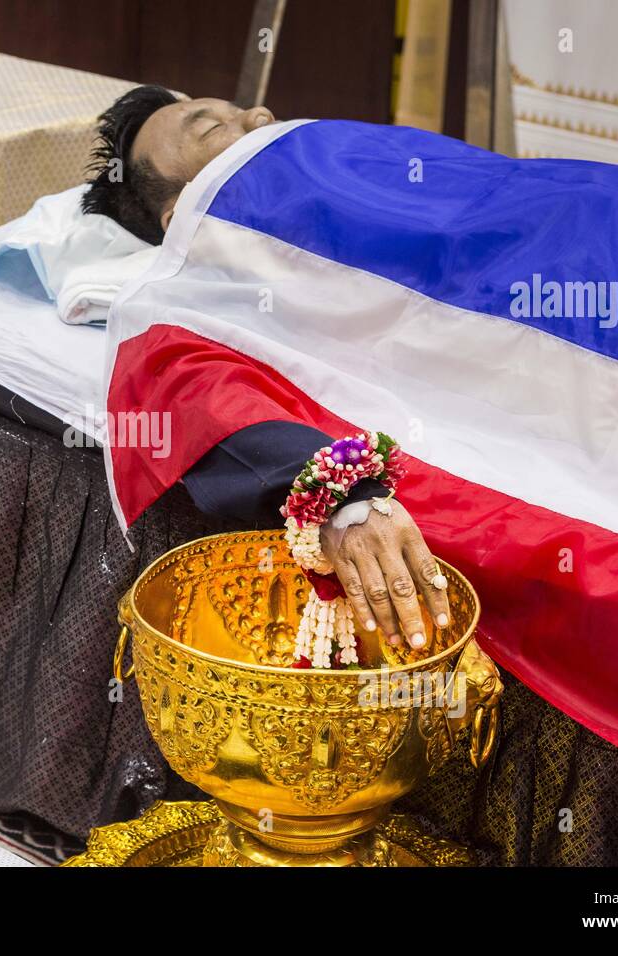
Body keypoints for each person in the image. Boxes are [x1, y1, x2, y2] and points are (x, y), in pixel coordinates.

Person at [83, 85, 447, 650]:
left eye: (240, 110)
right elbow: (201, 396)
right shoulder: (182, 313)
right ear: (188, 213)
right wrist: (345, 498)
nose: (261, 115)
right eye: (211, 128)